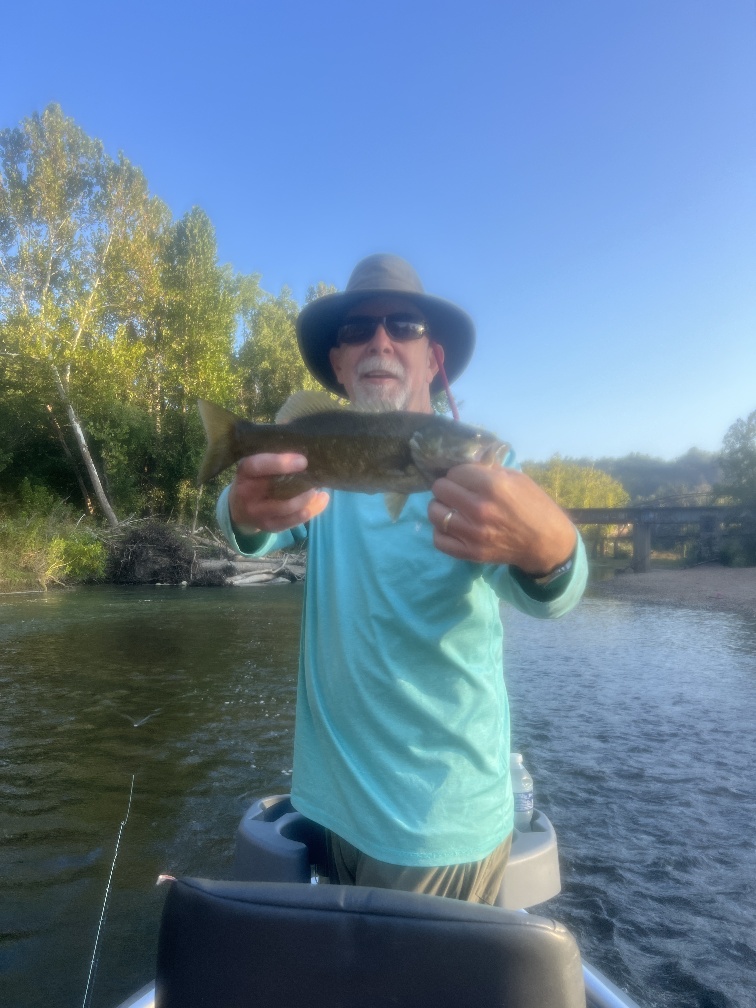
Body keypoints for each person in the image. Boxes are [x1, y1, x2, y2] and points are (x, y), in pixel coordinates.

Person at [216, 254, 587, 904]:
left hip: (434, 821)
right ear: (338, 364)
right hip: (330, 804)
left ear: (430, 354)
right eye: (358, 330)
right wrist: (240, 508)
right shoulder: (319, 463)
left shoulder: (483, 478)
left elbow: (554, 590)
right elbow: (255, 524)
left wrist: (553, 547)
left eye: (403, 325)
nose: (379, 340)